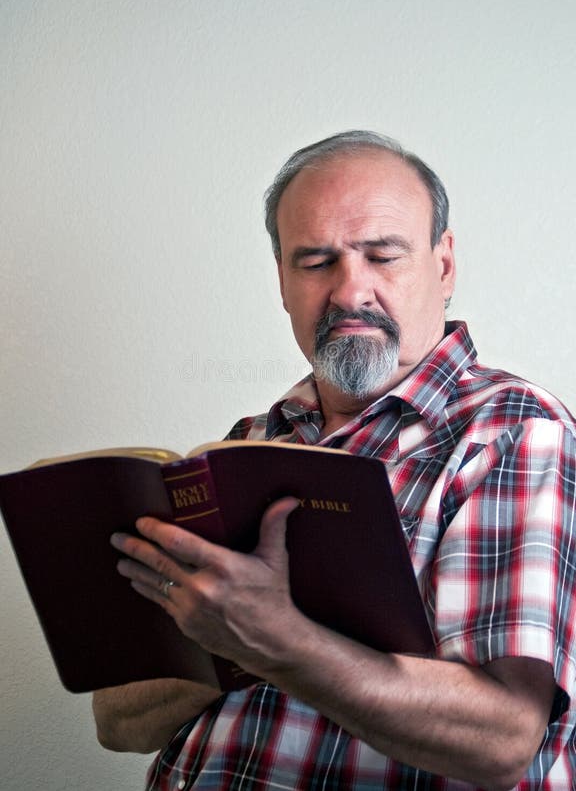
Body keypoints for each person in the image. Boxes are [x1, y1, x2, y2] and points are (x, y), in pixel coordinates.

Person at [92, 131, 576, 790]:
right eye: (316, 260)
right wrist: (231, 632)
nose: (351, 291)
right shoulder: (244, 443)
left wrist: (280, 639)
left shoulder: (514, 431)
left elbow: (502, 739)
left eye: (383, 255)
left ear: (444, 265)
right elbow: (118, 723)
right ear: (283, 283)